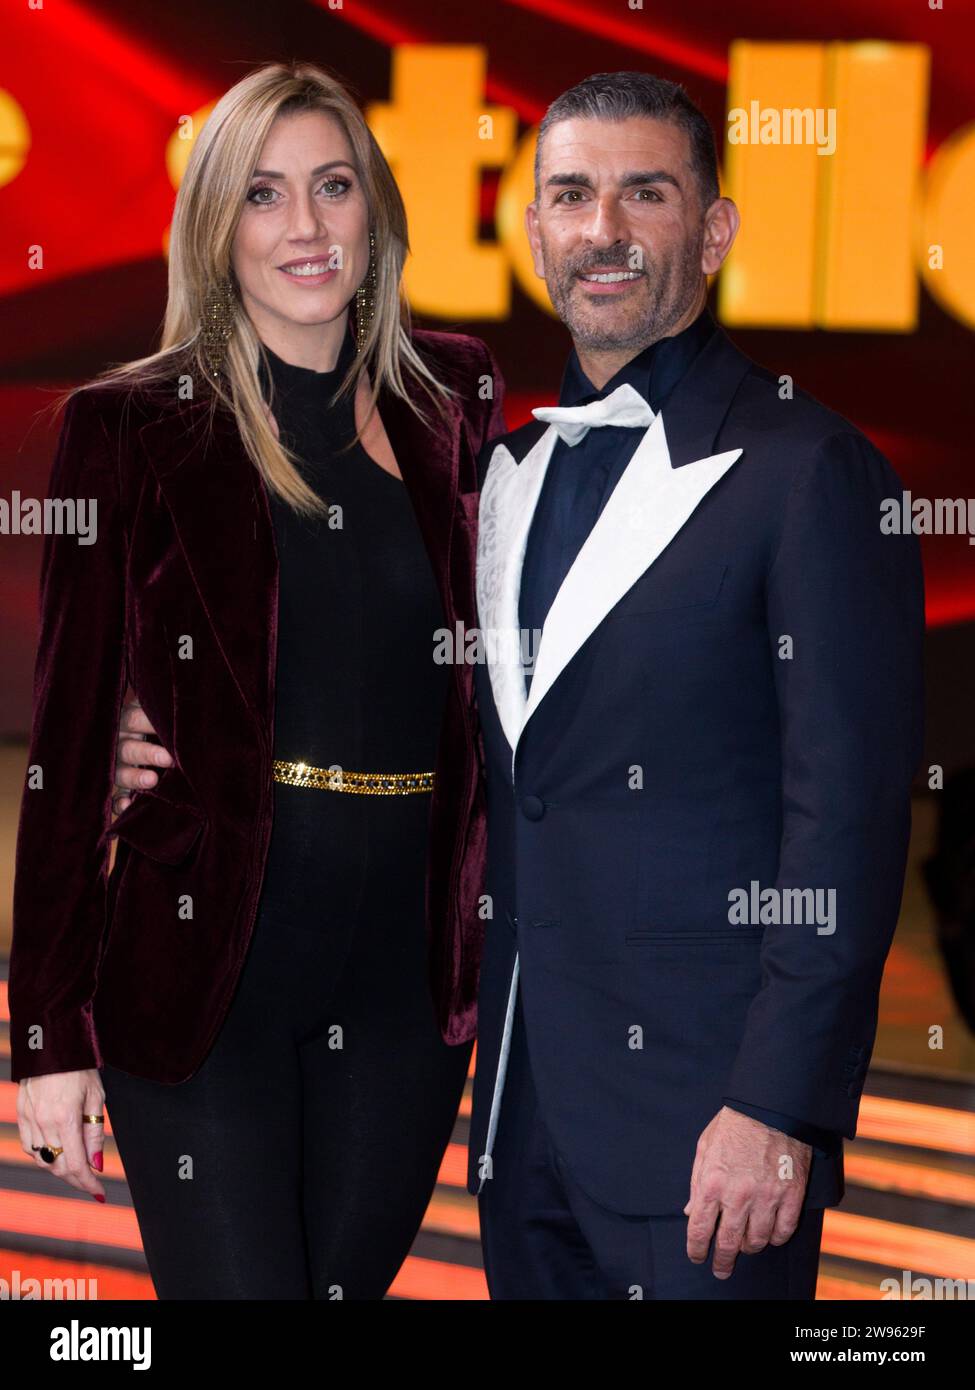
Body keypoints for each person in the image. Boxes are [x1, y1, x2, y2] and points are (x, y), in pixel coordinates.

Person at [9, 61, 504, 1299]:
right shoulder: (128, 426)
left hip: (404, 990)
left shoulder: (457, 403)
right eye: (264, 195)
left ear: (374, 208)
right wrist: (44, 1035)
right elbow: (70, 756)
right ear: (216, 225)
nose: (305, 227)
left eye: (333, 187)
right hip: (199, 976)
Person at [465, 72, 925, 1300]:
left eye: (644, 193)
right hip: (525, 1123)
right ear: (536, 233)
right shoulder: (509, 472)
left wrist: (779, 1104)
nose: (602, 228)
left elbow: (847, 821)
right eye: (571, 194)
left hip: (714, 1144)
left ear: (712, 232)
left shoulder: (812, 468)